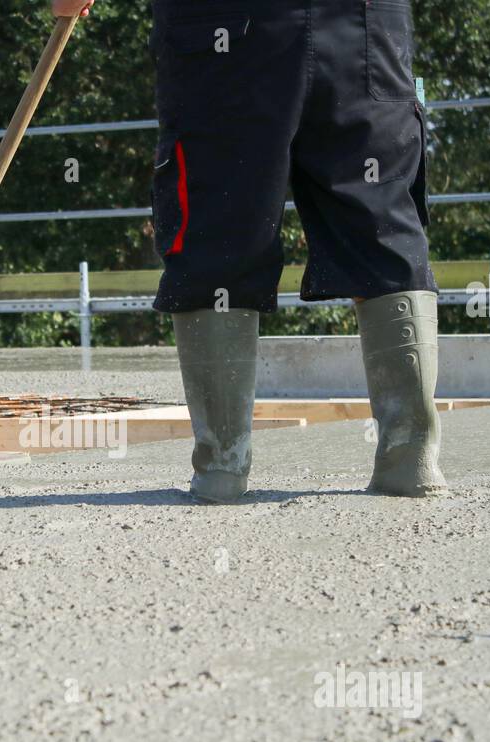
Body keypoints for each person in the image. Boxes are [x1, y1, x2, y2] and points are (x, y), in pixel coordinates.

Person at [57, 0, 445, 502]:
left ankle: (222, 468)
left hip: (227, 27)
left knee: (217, 228)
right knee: (382, 225)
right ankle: (410, 461)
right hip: (367, 25)